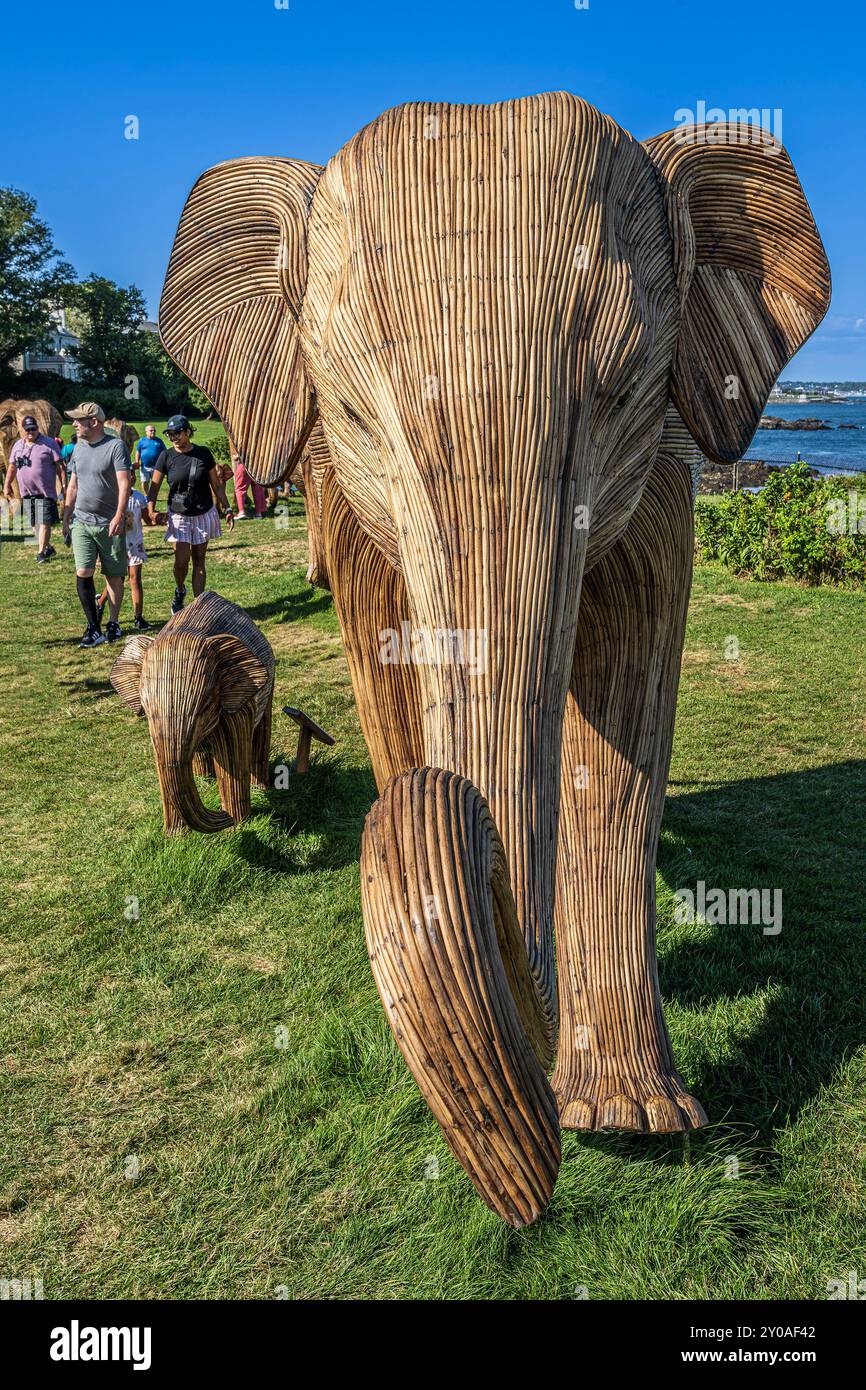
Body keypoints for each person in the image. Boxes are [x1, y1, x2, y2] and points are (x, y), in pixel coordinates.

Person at [61, 402, 132, 648]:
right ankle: (93, 627)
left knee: (114, 576)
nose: (74, 424)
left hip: (109, 522)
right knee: (83, 572)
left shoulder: (115, 447)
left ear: (94, 422)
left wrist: (119, 515)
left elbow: (125, 484)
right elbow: (73, 483)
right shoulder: (78, 448)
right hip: (82, 520)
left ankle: (113, 621)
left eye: (78, 420)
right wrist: (67, 514)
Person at [147, 415, 233, 614]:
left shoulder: (203, 453)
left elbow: (216, 485)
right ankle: (180, 589)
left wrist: (227, 508)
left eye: (177, 432)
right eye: (169, 433)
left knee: (199, 559)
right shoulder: (166, 456)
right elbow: (154, 486)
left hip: (203, 512)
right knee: (181, 561)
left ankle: (198, 606)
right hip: (179, 515)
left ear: (187, 432)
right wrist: (151, 510)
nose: (173, 437)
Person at [96, 465, 154, 631]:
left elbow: (147, 520)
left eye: (133, 474)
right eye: (128, 474)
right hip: (117, 544)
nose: (131, 477)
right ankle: (100, 603)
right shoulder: (111, 498)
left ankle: (138, 617)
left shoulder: (139, 498)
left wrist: (158, 517)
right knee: (118, 581)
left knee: (135, 579)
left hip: (135, 543)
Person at [3, 416, 65, 563]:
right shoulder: (18, 445)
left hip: (45, 492)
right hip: (27, 493)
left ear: (37, 428)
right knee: (34, 524)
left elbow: (60, 467)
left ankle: (41, 553)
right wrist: (6, 485)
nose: (31, 432)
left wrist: (64, 486)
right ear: (23, 431)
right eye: (28, 429)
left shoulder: (49, 444)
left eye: (33, 428)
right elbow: (12, 467)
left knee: (44, 523)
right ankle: (48, 547)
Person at [231, 449, 267, 520]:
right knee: (258, 489)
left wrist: (237, 456)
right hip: (257, 465)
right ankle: (258, 514)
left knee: (240, 488)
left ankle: (241, 512)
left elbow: (236, 457)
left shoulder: (245, 440)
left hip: (244, 464)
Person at [133, 424, 165, 491]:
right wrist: (136, 461)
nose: (153, 432)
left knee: (155, 483)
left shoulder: (159, 441)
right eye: (151, 430)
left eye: (154, 430)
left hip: (156, 467)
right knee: (145, 482)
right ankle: (146, 495)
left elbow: (164, 452)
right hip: (144, 466)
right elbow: (138, 452)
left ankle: (152, 495)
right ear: (146, 432)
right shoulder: (142, 441)